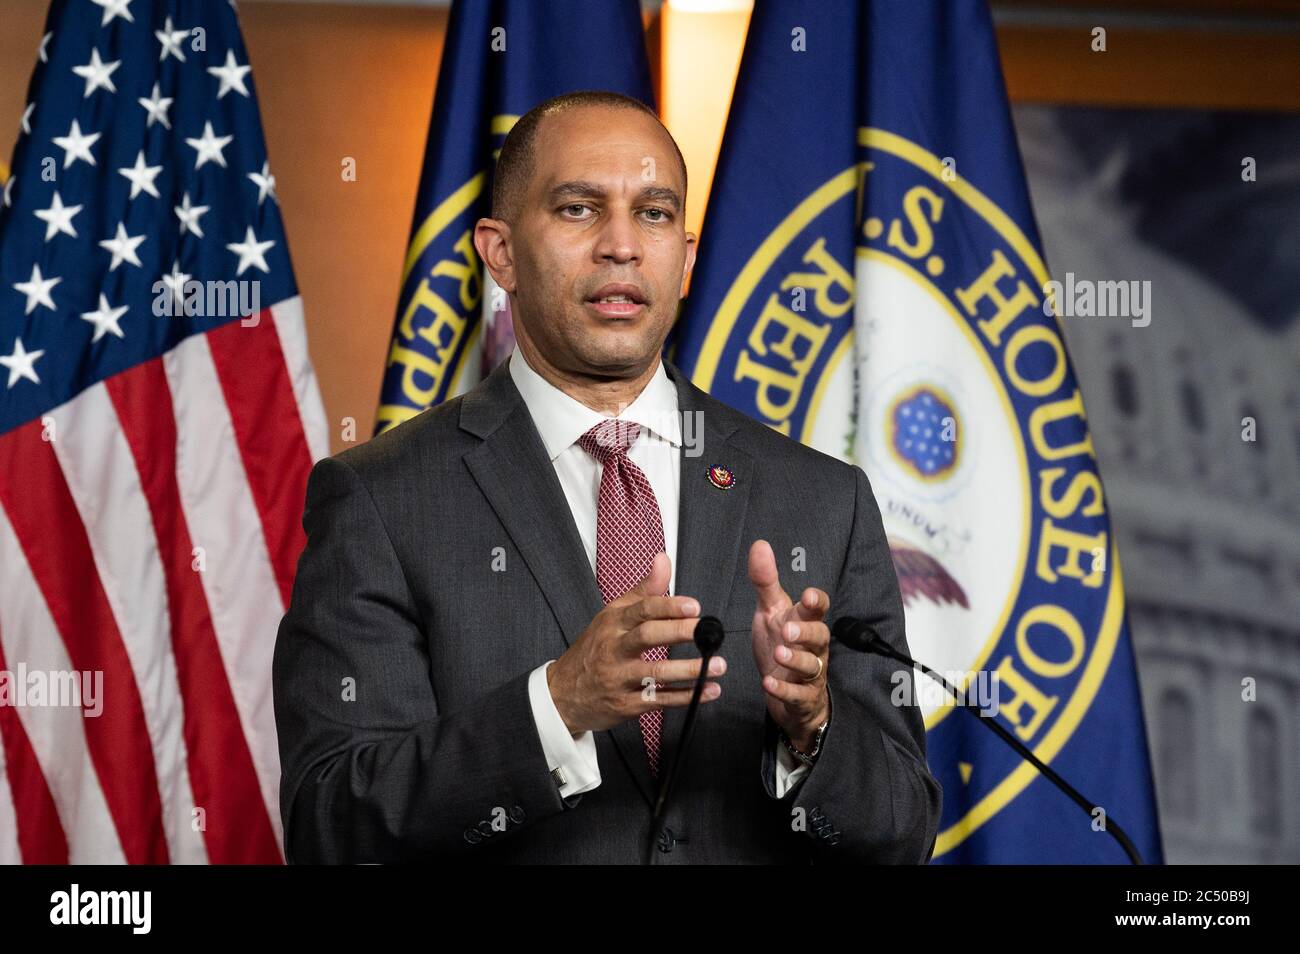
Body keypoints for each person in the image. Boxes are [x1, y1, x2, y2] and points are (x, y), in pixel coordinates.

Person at [273, 90, 941, 864]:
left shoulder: (823, 501)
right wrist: (556, 705)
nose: (621, 246)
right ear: (500, 252)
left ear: (686, 260)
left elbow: (903, 834)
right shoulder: (383, 499)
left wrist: (814, 728)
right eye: (578, 209)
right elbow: (330, 823)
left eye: (654, 213)